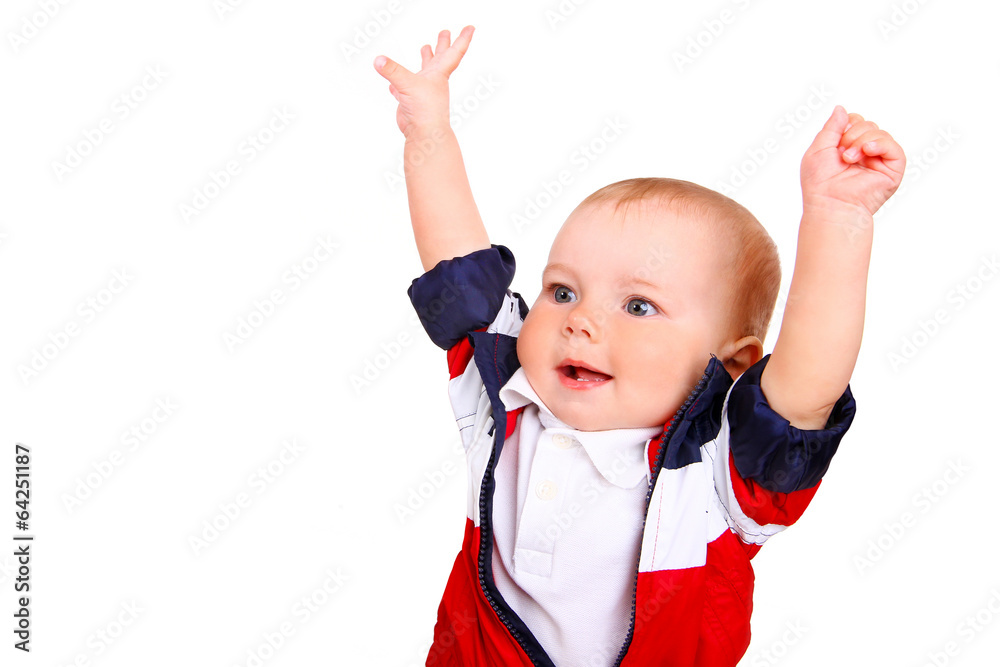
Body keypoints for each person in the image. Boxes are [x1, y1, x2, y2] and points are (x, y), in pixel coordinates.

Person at [374, 25, 905, 667]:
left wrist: (838, 218)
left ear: (731, 366)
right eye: (563, 291)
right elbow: (457, 264)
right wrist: (429, 132)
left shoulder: (715, 470)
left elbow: (806, 387)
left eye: (638, 306)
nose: (581, 322)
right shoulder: (504, 394)